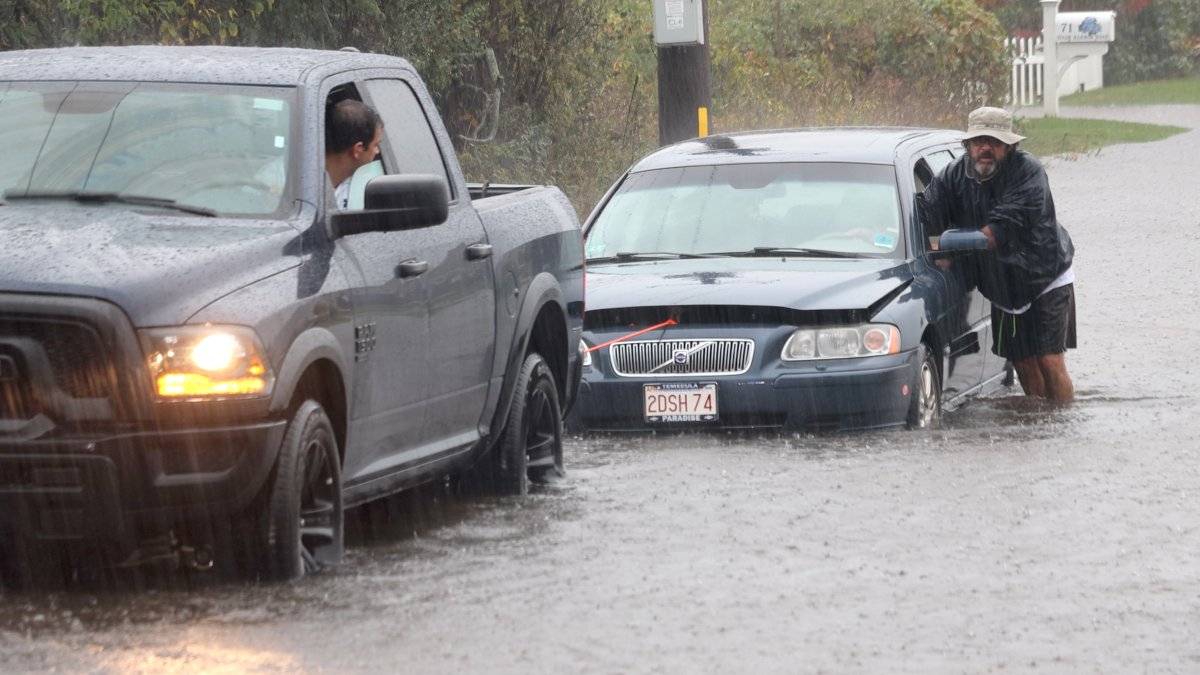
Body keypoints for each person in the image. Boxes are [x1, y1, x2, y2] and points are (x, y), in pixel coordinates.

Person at [921, 106, 1076, 401]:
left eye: (995, 142)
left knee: (1049, 360)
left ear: (1010, 146)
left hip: (1045, 277)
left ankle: (1060, 426)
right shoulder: (951, 177)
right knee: (1023, 363)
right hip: (1002, 286)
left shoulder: (1030, 173)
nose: (986, 149)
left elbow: (994, 235)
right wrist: (934, 248)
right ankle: (1038, 420)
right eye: (979, 141)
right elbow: (928, 214)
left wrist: (948, 247)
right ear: (967, 146)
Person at [325, 99, 383, 210]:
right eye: (375, 145)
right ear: (358, 149)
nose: (377, 151)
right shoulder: (287, 184)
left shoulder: (361, 186)